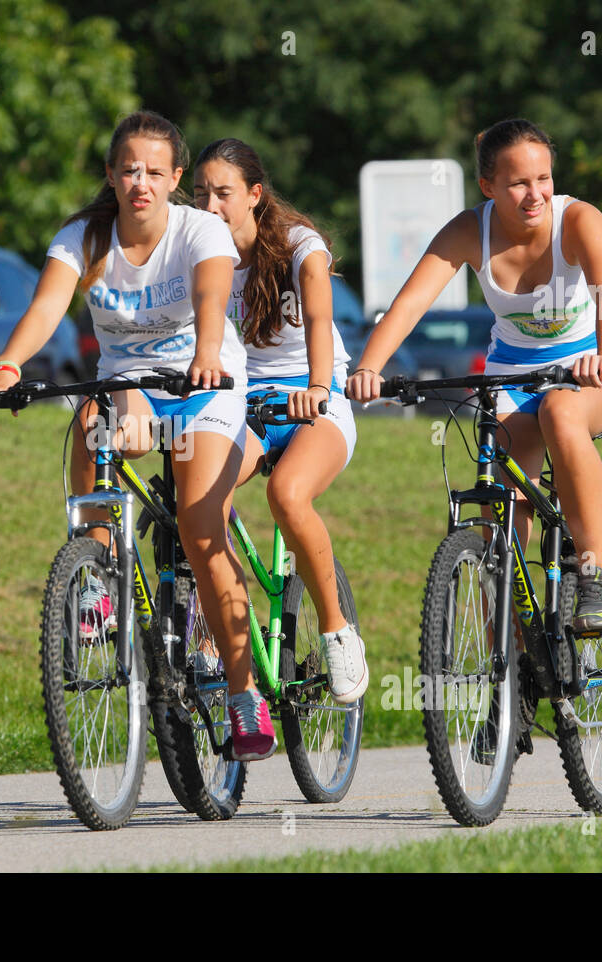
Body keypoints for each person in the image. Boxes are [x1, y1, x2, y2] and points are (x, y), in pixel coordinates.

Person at [0, 110, 276, 760]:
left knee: (198, 526)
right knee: (89, 422)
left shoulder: (199, 231)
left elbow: (213, 299)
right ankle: (99, 576)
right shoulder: (84, 237)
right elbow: (47, 306)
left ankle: (245, 693)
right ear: (110, 175)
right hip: (128, 384)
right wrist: (7, 368)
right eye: (128, 169)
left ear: (174, 178)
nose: (140, 181)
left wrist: (208, 353)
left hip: (203, 385)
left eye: (154, 171)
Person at [347, 118, 602, 632]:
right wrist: (369, 366)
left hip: (587, 367)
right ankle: (515, 660)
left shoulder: (580, 220)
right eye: (519, 183)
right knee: (503, 514)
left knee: (561, 410)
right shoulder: (468, 230)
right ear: (488, 187)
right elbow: (410, 305)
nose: (534, 194)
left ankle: (594, 574)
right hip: (512, 375)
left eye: (543, 179)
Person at [192, 138, 367, 703]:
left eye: (223, 193)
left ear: (255, 195)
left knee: (288, 496)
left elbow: (319, 320)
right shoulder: (199, 252)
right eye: (199, 195)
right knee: (201, 504)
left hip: (315, 399)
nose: (210, 207)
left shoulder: (298, 246)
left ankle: (337, 632)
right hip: (245, 405)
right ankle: (218, 639)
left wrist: (316, 387)